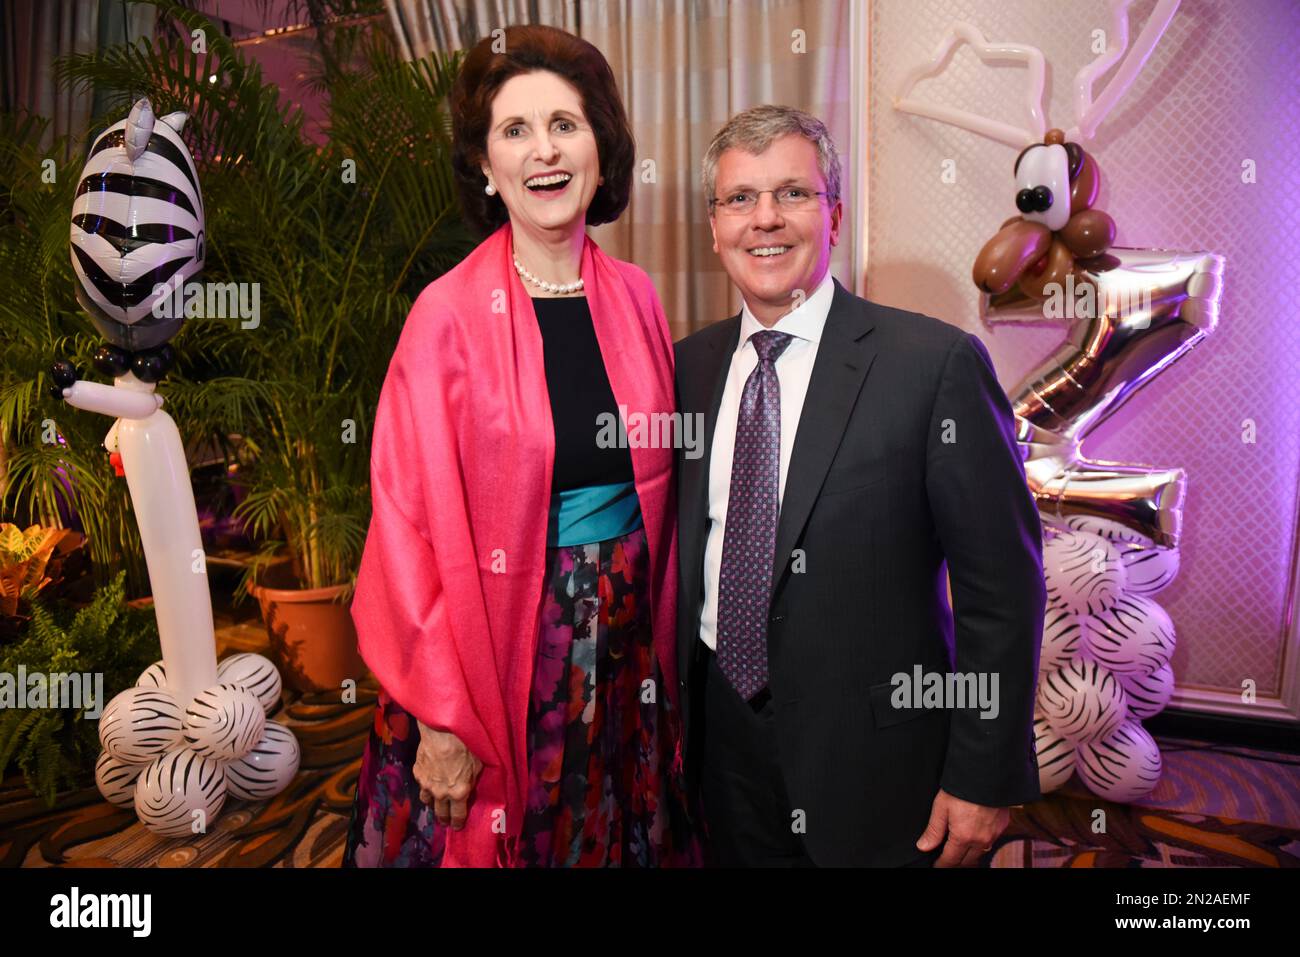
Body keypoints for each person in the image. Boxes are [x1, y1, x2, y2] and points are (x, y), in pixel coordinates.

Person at [343, 24, 699, 868]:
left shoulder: (638, 296)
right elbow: (402, 525)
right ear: (486, 168)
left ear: (602, 154)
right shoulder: (445, 316)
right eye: (515, 130)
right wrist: (438, 713)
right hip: (494, 655)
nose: (544, 150)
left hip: (623, 656)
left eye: (565, 125)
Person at [674, 105, 1045, 868]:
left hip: (877, 766)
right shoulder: (685, 369)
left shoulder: (933, 365)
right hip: (718, 744)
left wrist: (983, 773)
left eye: (793, 194)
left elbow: (1001, 589)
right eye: (740, 199)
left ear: (834, 214)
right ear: (714, 228)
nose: (765, 219)